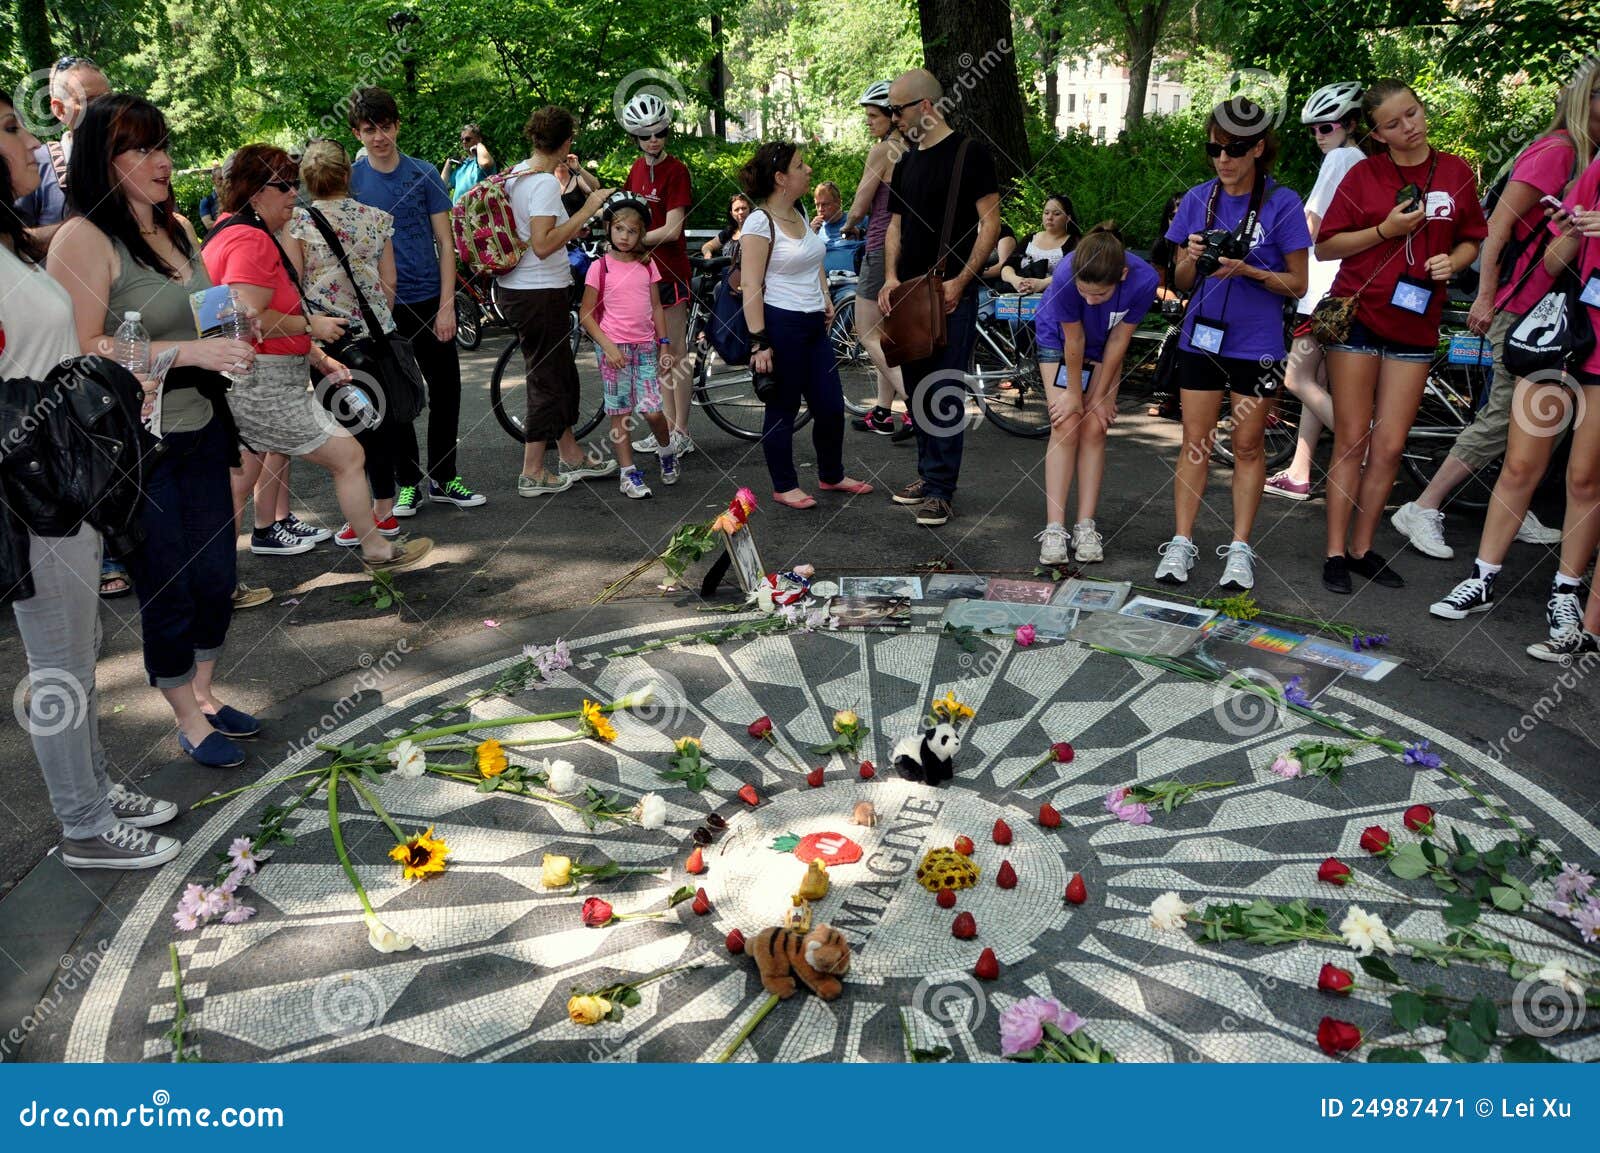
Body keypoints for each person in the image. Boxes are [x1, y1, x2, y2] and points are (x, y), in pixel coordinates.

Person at [47, 93, 265, 770]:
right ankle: (186, 717)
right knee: (169, 583)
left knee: (217, 576)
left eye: (162, 145)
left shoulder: (178, 227)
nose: (162, 160)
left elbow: (207, 310)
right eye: (141, 149)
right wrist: (189, 353)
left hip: (201, 426)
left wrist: (238, 323)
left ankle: (203, 692)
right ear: (104, 160)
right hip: (138, 448)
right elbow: (82, 346)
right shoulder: (84, 239)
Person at [2, 85, 184, 869]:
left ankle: (96, 791)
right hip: (32, 488)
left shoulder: (14, 238)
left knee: (78, 652)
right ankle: (83, 825)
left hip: (66, 474)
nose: (30, 141)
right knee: (58, 664)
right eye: (10, 128)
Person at [1392, 62, 1600, 556]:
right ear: (1584, 101)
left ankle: (1513, 506)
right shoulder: (1558, 151)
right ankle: (1422, 506)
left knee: (1542, 419)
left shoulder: (1584, 155)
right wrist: (1486, 298)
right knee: (1506, 416)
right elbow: (1498, 226)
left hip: (1554, 315)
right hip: (1525, 310)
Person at [202, 143, 433, 581]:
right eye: (284, 185)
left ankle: (217, 583)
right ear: (255, 192)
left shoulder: (226, 231)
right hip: (264, 382)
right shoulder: (250, 239)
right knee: (348, 456)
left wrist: (318, 356)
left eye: (295, 183)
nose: (294, 193)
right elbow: (248, 318)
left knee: (237, 484)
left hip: (248, 378)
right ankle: (377, 548)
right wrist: (312, 326)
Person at [1317, 79, 1486, 594]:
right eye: (1393, 123)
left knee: (1390, 447)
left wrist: (1453, 261)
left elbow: (1472, 239)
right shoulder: (1364, 174)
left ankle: (1363, 548)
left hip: (1417, 322)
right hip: (1360, 316)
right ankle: (1334, 553)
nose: (1408, 126)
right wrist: (1385, 231)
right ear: (1377, 134)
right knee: (1352, 440)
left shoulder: (1456, 171)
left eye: (1412, 113)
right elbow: (1325, 247)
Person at [1428, 151, 1600, 655]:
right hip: (1560, 334)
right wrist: (1572, 230)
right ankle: (1481, 578)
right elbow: (1552, 263)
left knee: (1584, 479)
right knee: (1520, 465)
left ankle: (1565, 594)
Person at [1154, 98, 1311, 589]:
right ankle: (1181, 541)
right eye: (1214, 149)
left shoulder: (1283, 202)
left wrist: (1249, 271)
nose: (1223, 159)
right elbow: (1180, 280)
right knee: (1194, 441)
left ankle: (1240, 548)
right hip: (1201, 338)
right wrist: (1191, 256)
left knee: (1247, 444)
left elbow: (1299, 285)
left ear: (1258, 148)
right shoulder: (1197, 199)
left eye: (1235, 149)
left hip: (1258, 344)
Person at [349, 87, 484, 514]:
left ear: (397, 126)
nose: (379, 137)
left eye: (386, 127)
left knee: (446, 392)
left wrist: (447, 305)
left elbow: (446, 242)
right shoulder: (351, 182)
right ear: (357, 133)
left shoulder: (424, 173)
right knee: (397, 397)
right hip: (382, 308)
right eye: (369, 130)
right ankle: (407, 482)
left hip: (429, 298)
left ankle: (444, 477)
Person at [878, 68, 1002, 527]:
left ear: (926, 106)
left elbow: (990, 224)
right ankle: (929, 476)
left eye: (898, 110)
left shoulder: (971, 154)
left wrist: (962, 281)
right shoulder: (906, 160)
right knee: (916, 389)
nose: (893, 118)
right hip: (909, 294)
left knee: (943, 388)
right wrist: (890, 277)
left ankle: (940, 490)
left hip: (951, 292)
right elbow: (894, 225)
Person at [282, 139, 410, 545]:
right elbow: (389, 281)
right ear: (348, 174)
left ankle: (362, 519)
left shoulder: (298, 224)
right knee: (380, 423)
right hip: (376, 336)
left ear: (307, 180)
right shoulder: (377, 219)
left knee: (347, 431)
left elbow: (292, 286)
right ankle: (384, 511)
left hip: (330, 341)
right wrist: (376, 318)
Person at [742, 142, 875, 509]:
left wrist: (825, 296)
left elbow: (814, 258)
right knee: (782, 408)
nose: (808, 170)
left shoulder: (799, 212)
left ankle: (831, 475)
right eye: (800, 165)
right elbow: (750, 284)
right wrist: (759, 342)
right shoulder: (759, 221)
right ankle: (784, 485)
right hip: (781, 324)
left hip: (815, 322)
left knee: (830, 406)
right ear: (780, 178)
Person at [495, 105, 615, 496]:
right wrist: (588, 209)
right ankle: (532, 471)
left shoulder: (517, 173)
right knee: (546, 378)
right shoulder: (544, 183)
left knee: (558, 372)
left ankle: (571, 455)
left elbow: (532, 233)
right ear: (566, 142)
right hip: (538, 291)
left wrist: (573, 223)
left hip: (519, 287)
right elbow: (544, 244)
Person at [1262, 81, 1367, 501]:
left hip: (1323, 288)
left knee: (1296, 377)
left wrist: (1273, 258)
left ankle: (1368, 444)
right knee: (1316, 383)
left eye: (1327, 127)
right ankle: (1299, 472)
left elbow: (1311, 225)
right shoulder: (1363, 162)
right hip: (1345, 290)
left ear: (1351, 124)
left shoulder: (1340, 158)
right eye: (1314, 129)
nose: (1319, 136)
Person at [1032, 223, 1159, 565]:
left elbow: (1120, 340)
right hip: (1058, 340)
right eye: (1084, 292)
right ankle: (1054, 528)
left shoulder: (1145, 280)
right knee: (1065, 423)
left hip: (1105, 346)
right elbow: (1074, 339)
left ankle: (1085, 525)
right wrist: (1075, 394)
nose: (1090, 300)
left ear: (1123, 275)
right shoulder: (1065, 273)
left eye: (1099, 295)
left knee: (1095, 425)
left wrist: (1101, 397)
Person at [581, 198, 678, 498]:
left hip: (646, 347)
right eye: (619, 229)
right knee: (620, 412)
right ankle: (628, 473)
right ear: (608, 229)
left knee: (652, 411)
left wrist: (664, 345)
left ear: (641, 234)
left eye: (632, 231)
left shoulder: (647, 265)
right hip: (613, 350)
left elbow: (656, 307)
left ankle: (666, 449)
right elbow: (586, 314)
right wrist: (608, 347)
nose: (625, 236)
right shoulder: (599, 267)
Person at [620, 93, 695, 458]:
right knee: (658, 354)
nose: (653, 140)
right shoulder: (636, 169)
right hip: (644, 274)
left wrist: (632, 241)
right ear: (635, 137)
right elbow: (628, 216)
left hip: (671, 273)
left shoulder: (677, 171)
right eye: (645, 135)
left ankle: (683, 432)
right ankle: (665, 428)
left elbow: (673, 229)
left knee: (677, 353)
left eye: (660, 132)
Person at [844, 81, 910, 438]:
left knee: (866, 331)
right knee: (888, 336)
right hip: (907, 248)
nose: (868, 121)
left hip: (881, 247)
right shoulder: (914, 148)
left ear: (890, 115)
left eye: (873, 115)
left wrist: (847, 226)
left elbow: (859, 205)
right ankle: (883, 412)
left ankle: (916, 405)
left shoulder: (883, 150)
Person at [13, 55, 109, 243]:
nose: (107, 108)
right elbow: (10, 242)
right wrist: (82, 230)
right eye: (90, 100)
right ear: (59, 110)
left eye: (109, 98)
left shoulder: (137, 159)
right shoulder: (34, 165)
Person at [1001, 193, 1079, 294]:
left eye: (1056, 214)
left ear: (1068, 218)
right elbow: (1007, 267)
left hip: (1058, 296)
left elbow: (1076, 272)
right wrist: (1016, 280)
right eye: (1046, 213)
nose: (1049, 217)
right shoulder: (1029, 239)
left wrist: (1043, 283)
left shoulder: (1076, 242)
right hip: (1021, 297)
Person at [811, 180, 862, 274]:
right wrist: (810, 236)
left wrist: (860, 233)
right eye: (817, 205)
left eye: (825, 204)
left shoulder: (857, 220)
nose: (820, 209)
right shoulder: (814, 229)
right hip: (823, 280)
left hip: (851, 279)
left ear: (838, 202)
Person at [441, 123, 497, 204]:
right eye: (462, 139)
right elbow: (442, 186)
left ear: (479, 139)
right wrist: (448, 163)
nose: (464, 142)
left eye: (467, 139)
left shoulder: (482, 160)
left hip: (480, 210)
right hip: (460, 211)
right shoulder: (461, 166)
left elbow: (485, 163)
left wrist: (479, 145)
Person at [700, 192, 752, 261]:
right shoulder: (729, 232)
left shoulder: (757, 231)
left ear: (749, 209)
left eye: (744, 208)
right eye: (736, 210)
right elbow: (708, 246)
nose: (741, 212)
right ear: (731, 214)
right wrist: (707, 254)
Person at [198, 166, 221, 231]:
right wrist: (231, 224)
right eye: (220, 178)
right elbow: (208, 225)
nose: (224, 181)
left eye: (225, 178)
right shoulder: (206, 201)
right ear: (213, 180)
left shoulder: (233, 198)